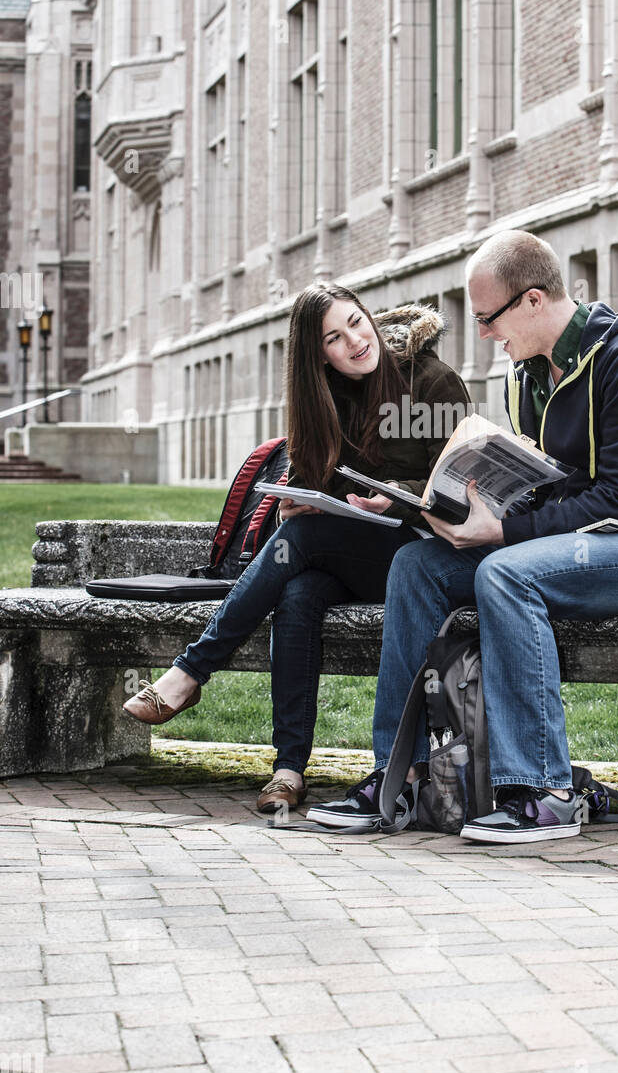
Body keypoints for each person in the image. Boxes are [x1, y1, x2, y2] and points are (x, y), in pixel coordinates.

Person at [307, 230, 618, 843]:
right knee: (417, 566)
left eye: (488, 318)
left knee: (506, 572)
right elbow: (549, 485)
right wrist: (440, 504)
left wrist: (505, 532)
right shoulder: (526, 376)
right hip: (572, 541)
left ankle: (544, 791)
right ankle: (406, 776)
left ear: (531, 301)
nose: (484, 335)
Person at [123, 283, 471, 816]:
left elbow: (457, 488)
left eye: (357, 321)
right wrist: (299, 503)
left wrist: (396, 506)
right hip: (342, 551)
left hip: (417, 557)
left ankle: (191, 671)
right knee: (299, 594)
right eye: (335, 337)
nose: (356, 340)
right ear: (318, 356)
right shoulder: (322, 397)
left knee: (303, 543)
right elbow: (312, 479)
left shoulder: (431, 382)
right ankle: (288, 770)